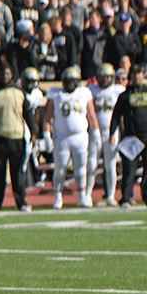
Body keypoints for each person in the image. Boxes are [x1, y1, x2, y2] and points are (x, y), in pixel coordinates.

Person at [0, 64, 37, 213]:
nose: (4, 77)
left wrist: (34, 133)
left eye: (7, 74)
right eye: (2, 74)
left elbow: (28, 114)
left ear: (12, 76)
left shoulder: (19, 93)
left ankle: (21, 202)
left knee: (18, 173)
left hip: (16, 137)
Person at [45, 65, 99, 209]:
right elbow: (47, 117)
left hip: (80, 136)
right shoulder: (56, 94)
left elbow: (91, 115)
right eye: (67, 81)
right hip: (62, 137)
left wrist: (96, 132)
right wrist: (46, 134)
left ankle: (82, 196)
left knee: (81, 167)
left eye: (72, 81)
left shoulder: (84, 93)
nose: (69, 84)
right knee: (60, 168)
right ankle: (58, 196)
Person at [113, 64, 147, 207]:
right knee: (129, 169)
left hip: (146, 136)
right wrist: (112, 132)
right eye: (134, 74)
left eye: (139, 74)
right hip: (131, 137)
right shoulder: (125, 95)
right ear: (130, 77)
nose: (137, 77)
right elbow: (116, 116)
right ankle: (126, 198)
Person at [90, 64, 123, 206]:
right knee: (91, 164)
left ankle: (110, 195)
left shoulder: (118, 90)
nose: (105, 79)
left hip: (112, 132)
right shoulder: (91, 90)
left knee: (110, 165)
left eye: (108, 77)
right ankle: (86, 195)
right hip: (95, 133)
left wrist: (118, 131)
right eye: (102, 77)